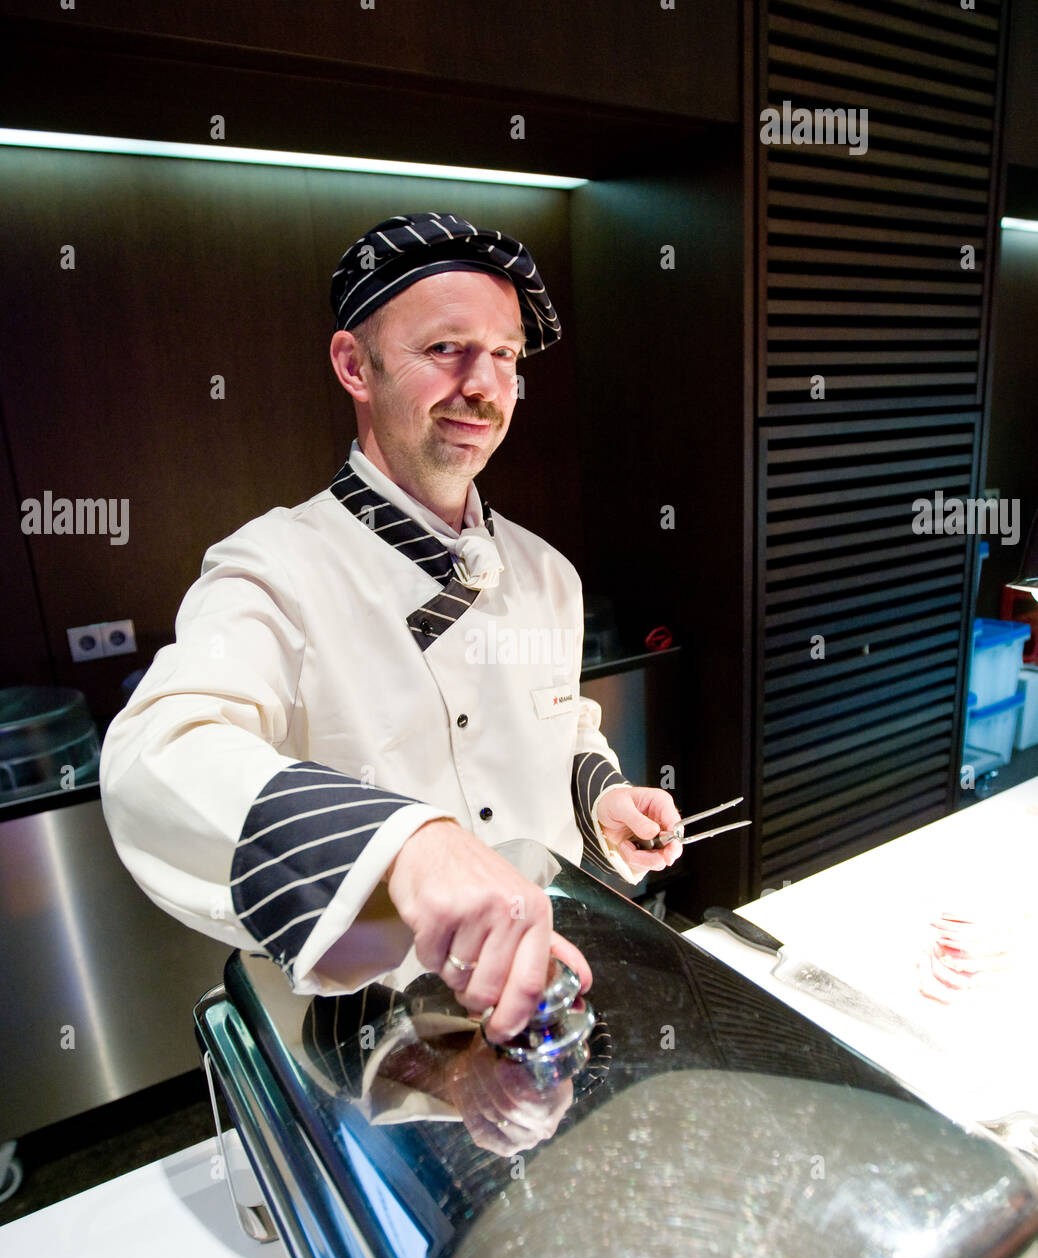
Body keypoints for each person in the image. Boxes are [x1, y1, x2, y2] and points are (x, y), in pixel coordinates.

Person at [100, 211, 682, 1046]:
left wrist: (601, 795)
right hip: (375, 1032)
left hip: (548, 986)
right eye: (446, 349)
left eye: (507, 356)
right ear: (354, 365)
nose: (484, 384)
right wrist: (410, 849)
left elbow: (562, 723)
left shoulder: (550, 574)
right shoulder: (272, 568)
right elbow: (156, 758)